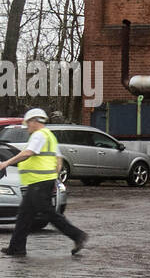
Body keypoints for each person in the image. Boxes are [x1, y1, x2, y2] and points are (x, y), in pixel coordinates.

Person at [1, 107, 88, 257]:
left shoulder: (39, 135)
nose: (27, 127)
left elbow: (28, 153)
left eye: (28, 124)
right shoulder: (49, 135)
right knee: (24, 215)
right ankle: (16, 248)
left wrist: (6, 163)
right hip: (42, 182)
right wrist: (55, 175)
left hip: (40, 183)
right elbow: (58, 158)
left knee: (48, 213)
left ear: (34, 121)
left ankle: (77, 235)